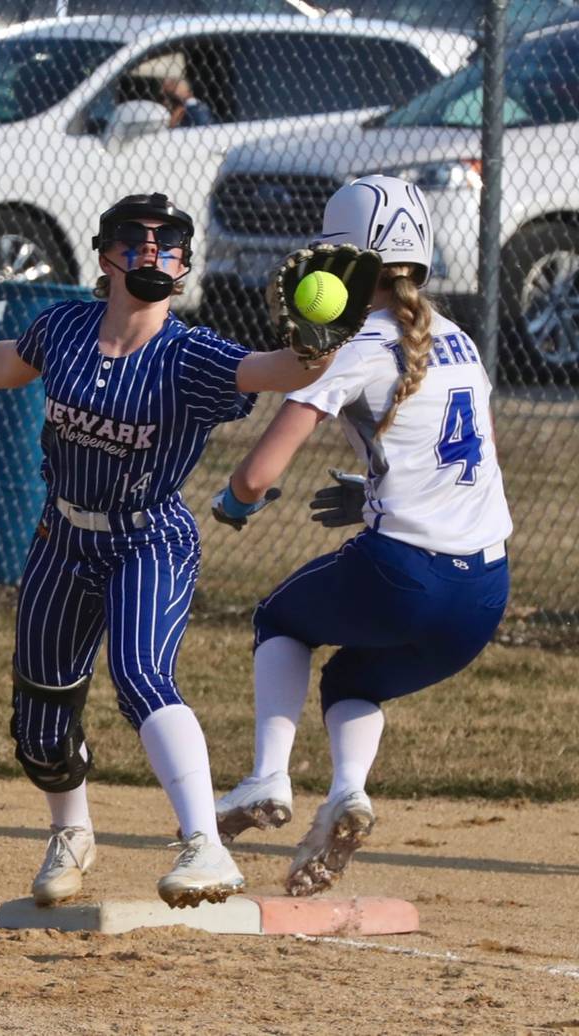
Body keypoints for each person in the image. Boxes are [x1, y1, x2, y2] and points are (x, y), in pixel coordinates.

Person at [0, 192, 347, 911]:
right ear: (106, 254)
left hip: (147, 538)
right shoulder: (65, 326)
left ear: (185, 265)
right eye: (136, 237)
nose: (153, 250)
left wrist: (318, 345)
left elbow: (275, 370)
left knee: (140, 674)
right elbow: (11, 362)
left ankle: (204, 845)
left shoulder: (189, 355)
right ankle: (72, 834)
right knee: (38, 723)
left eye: (170, 241)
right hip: (61, 537)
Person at [213, 174, 513, 897]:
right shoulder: (462, 339)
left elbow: (258, 473)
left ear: (347, 262)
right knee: (353, 677)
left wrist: (234, 503)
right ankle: (348, 791)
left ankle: (267, 778)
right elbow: (458, 458)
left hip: (404, 572)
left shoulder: (355, 345)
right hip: (485, 594)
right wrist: (373, 490)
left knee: (280, 618)